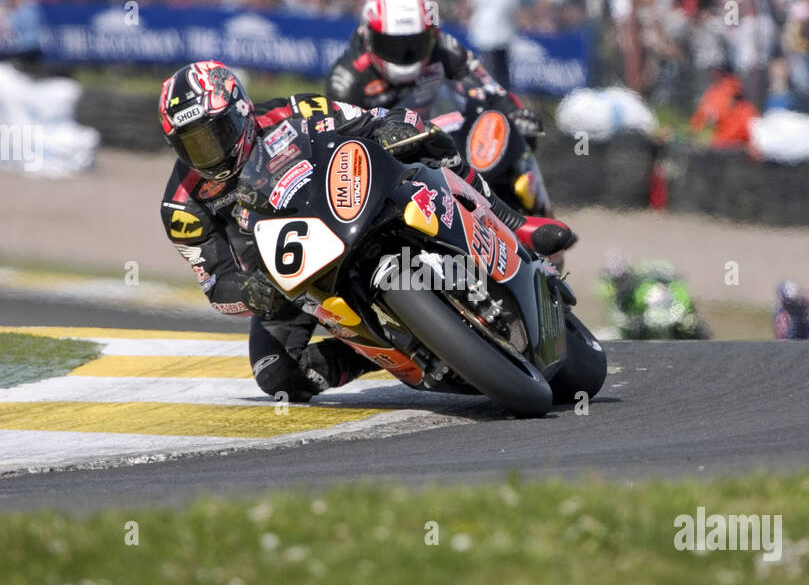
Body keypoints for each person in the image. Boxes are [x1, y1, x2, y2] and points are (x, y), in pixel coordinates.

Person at [159, 61, 576, 401]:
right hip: (287, 276)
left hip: (351, 204)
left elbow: (368, 119)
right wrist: (250, 291)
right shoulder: (182, 204)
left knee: (430, 146)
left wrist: (392, 127)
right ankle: (384, 353)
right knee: (275, 374)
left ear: (241, 113)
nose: (208, 152)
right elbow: (215, 282)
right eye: (192, 145)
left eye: (215, 135)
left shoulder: (292, 113)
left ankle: (515, 226)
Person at [326, 0, 541, 141]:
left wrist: (515, 113)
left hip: (446, 143)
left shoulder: (445, 48)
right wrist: (381, 135)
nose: (405, 55)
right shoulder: (346, 78)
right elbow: (342, 140)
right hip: (387, 162)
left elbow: (491, 89)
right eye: (392, 45)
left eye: (415, 44)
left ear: (431, 35)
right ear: (368, 37)